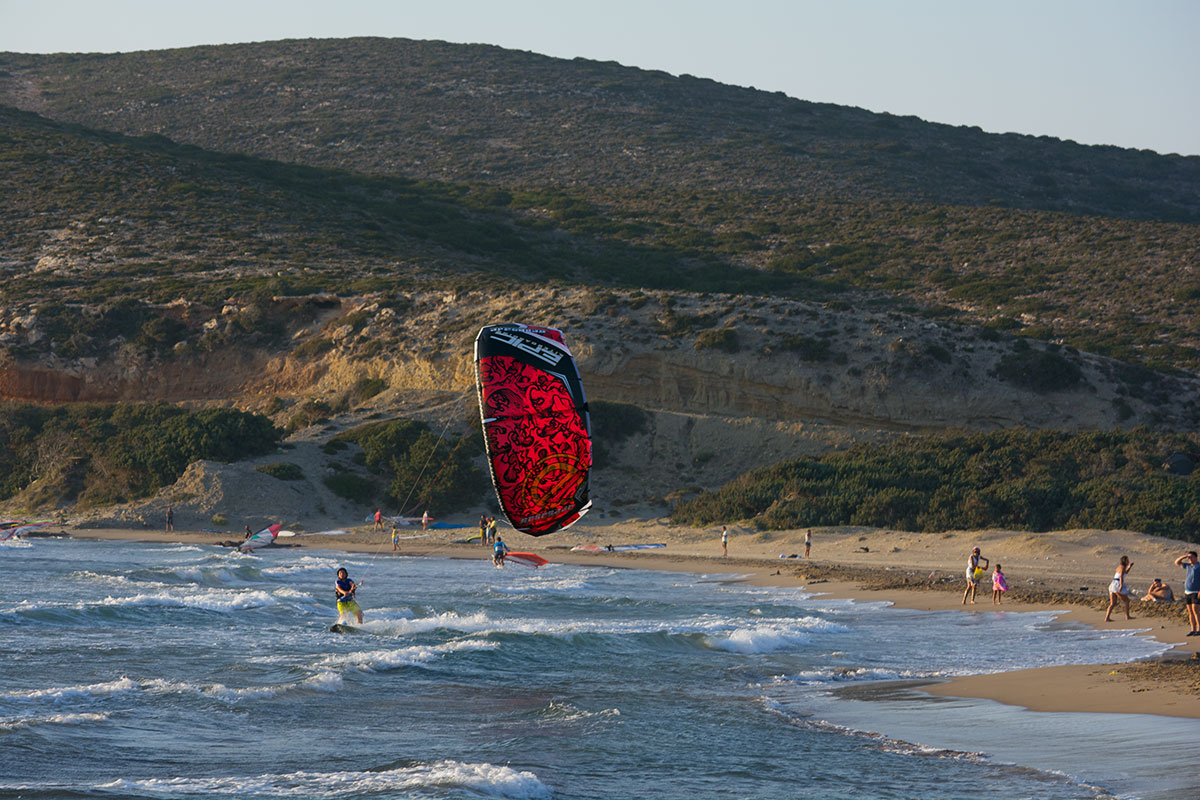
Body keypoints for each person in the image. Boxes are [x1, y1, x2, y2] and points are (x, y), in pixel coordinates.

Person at [1174, 551, 1200, 635]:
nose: (1189, 559)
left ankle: (1199, 629)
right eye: (1188, 557)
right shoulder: (1188, 566)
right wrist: (1184, 556)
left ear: (1196, 557)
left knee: (1195, 610)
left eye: (1191, 557)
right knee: (1190, 612)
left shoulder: (1199, 566)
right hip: (1187, 592)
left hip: (1196, 592)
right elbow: (1177, 562)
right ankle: (1193, 629)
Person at [1104, 555, 1134, 622]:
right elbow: (1121, 577)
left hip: (1113, 584)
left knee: (1113, 603)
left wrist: (1130, 566)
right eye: (1127, 560)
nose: (1128, 561)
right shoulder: (1122, 567)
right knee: (1127, 601)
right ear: (1124, 561)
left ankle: (1107, 618)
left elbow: (1125, 573)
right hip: (1117, 584)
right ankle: (1127, 616)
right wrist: (1121, 586)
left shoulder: (1120, 567)